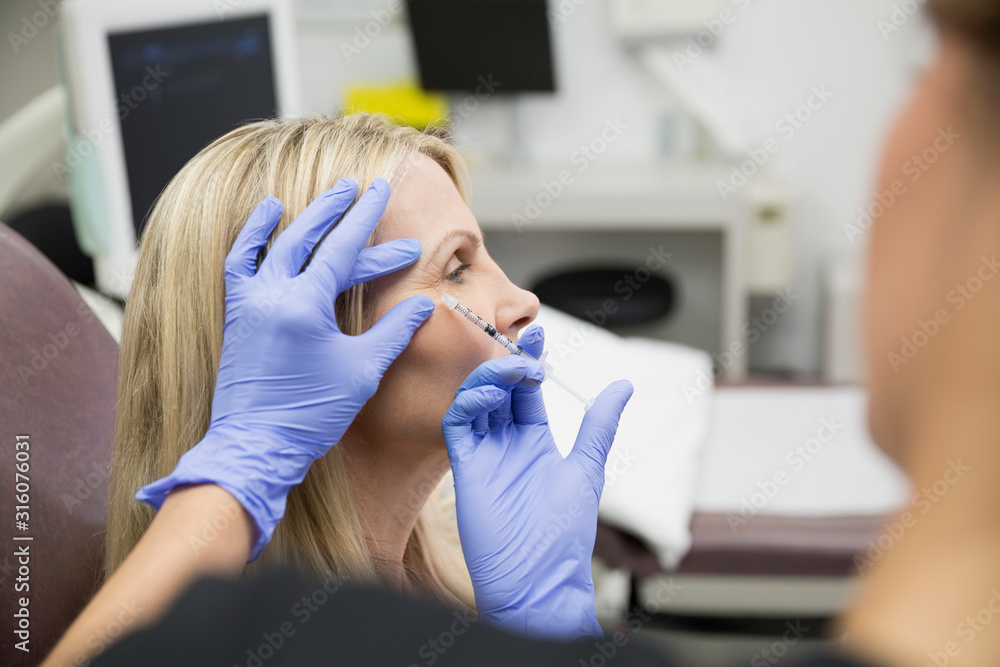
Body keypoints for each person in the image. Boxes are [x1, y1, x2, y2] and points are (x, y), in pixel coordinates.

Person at [42, 0, 1000, 662]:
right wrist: (244, 462)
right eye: (456, 265)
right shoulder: (251, 639)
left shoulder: (455, 570)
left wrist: (548, 631)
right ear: (319, 335)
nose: (523, 301)